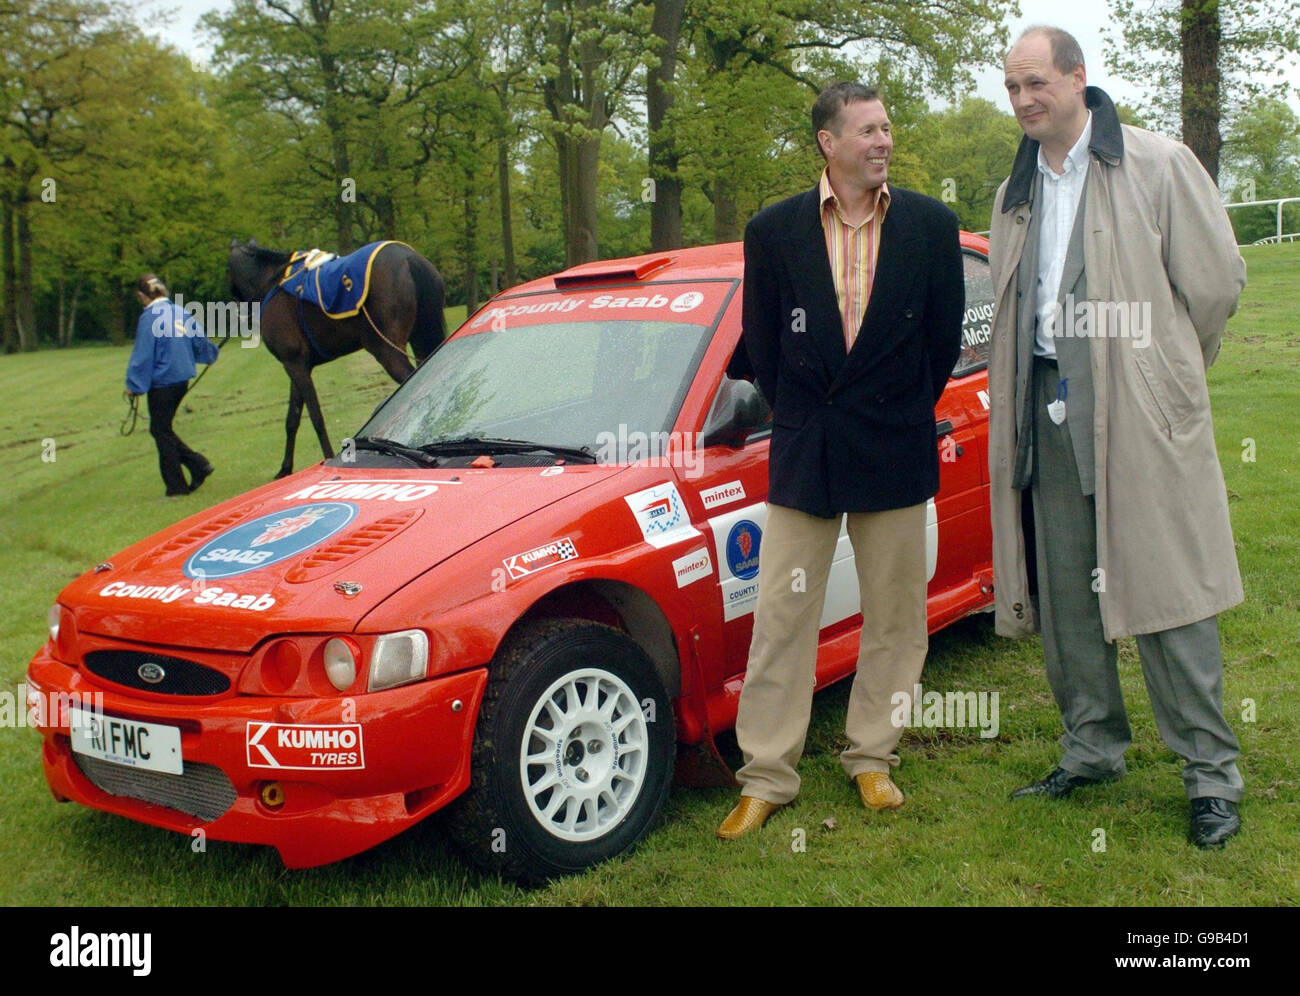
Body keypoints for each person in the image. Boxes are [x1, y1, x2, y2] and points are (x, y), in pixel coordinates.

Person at [988, 26, 1247, 847]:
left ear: (1077, 78)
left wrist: (1160, 374)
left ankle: (1211, 776)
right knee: (1066, 596)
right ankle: (1093, 749)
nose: (1026, 100)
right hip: (1042, 408)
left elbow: (1214, 287)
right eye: (1014, 88)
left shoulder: (1158, 163)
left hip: (1135, 410)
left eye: (1037, 83)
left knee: (1169, 595)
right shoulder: (1013, 191)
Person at [716, 82, 964, 839]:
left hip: (892, 443)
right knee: (783, 617)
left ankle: (872, 760)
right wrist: (807, 410)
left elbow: (940, 346)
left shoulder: (930, 224)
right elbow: (760, 345)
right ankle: (766, 777)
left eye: (887, 128)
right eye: (866, 130)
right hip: (807, 448)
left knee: (896, 617)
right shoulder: (773, 231)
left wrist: (893, 409)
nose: (883, 141)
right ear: (829, 142)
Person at [126, 274, 218, 497]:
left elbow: (144, 354)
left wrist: (134, 384)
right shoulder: (180, 311)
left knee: (160, 430)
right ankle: (197, 466)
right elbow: (199, 341)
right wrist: (209, 353)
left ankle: (178, 485)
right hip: (181, 378)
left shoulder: (149, 318)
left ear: (142, 295)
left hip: (163, 381)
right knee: (162, 429)